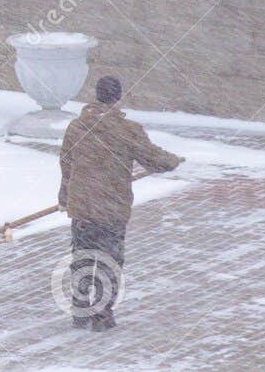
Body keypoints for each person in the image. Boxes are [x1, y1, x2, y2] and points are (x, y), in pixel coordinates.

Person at [58, 76, 183, 331]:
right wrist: (173, 161)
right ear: (118, 98)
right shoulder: (128, 130)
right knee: (109, 262)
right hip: (111, 208)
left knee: (82, 258)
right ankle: (102, 315)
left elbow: (66, 165)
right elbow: (154, 159)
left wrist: (65, 198)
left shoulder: (77, 127)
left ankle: (80, 311)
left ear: (97, 95)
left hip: (82, 207)